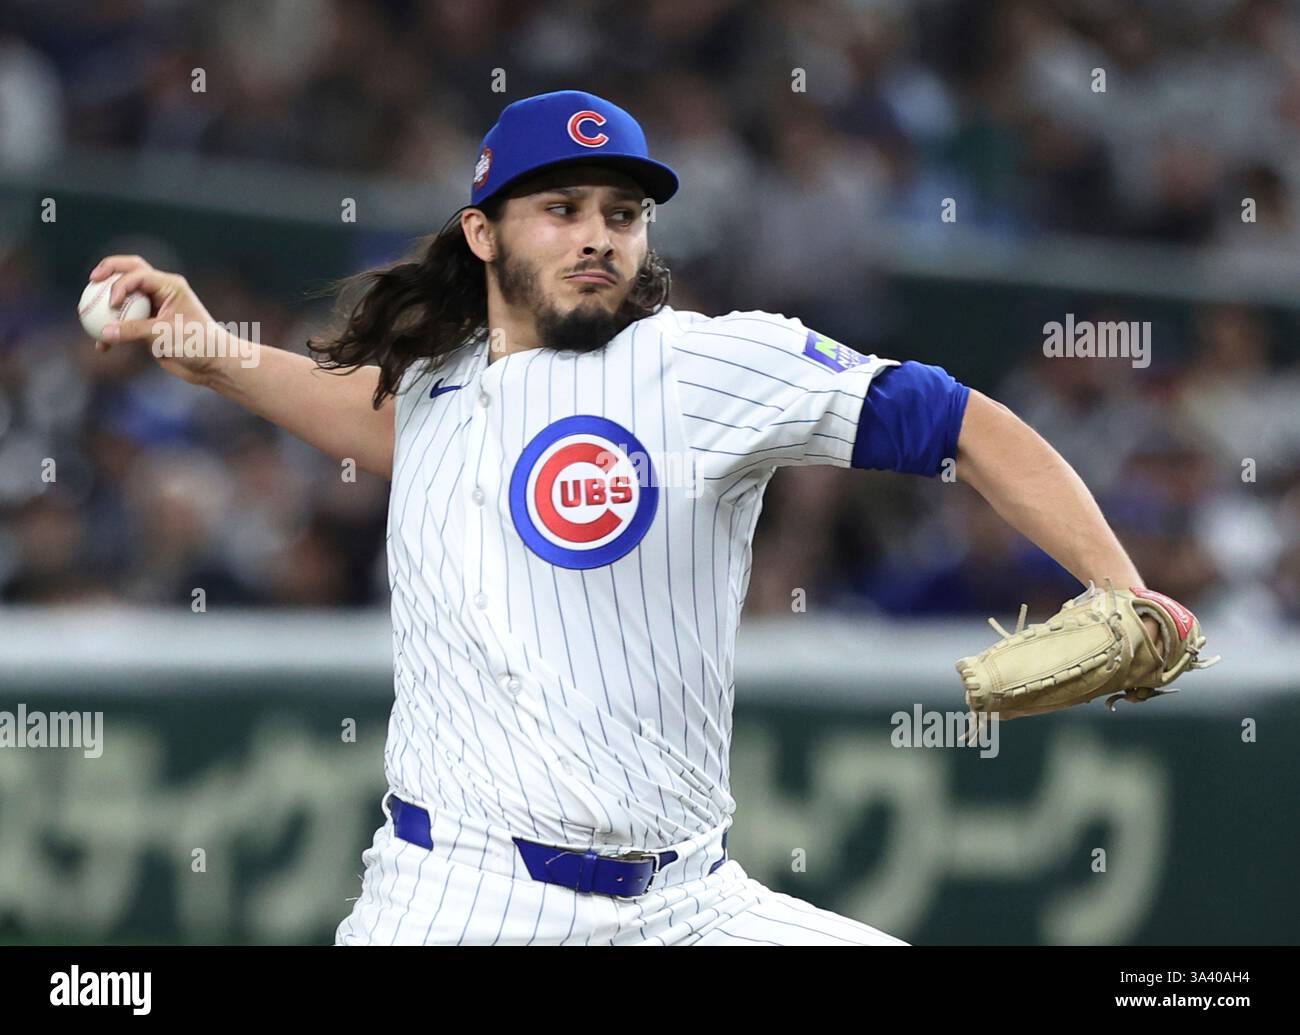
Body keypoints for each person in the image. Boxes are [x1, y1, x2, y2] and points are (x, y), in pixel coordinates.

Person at [89, 90, 1178, 945]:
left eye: (622, 212)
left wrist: (1119, 588)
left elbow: (961, 423)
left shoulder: (706, 364)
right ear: (483, 232)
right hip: (455, 901)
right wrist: (207, 349)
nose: (597, 236)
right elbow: (363, 414)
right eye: (560, 210)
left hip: (688, 905)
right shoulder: (437, 390)